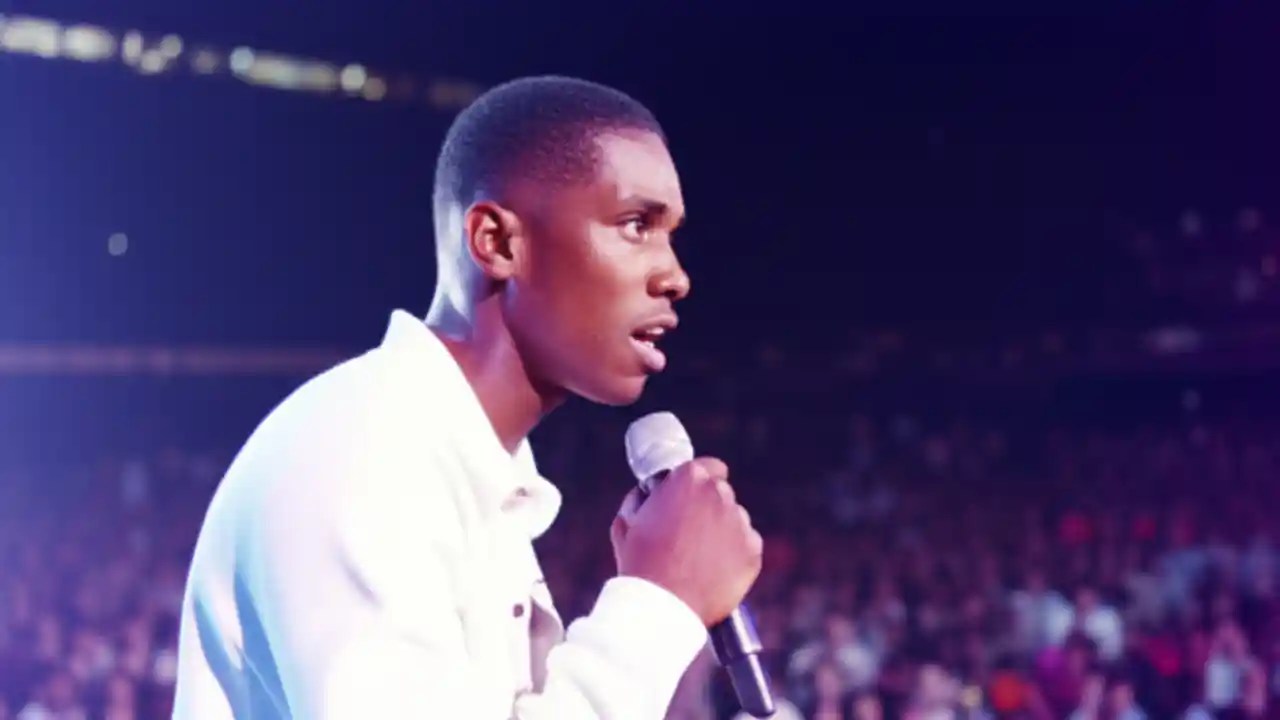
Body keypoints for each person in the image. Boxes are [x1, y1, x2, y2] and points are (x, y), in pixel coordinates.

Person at [171, 75, 764, 718]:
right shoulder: (359, 449)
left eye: (670, 233)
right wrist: (657, 600)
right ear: (498, 242)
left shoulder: (462, 471)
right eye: (635, 224)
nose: (674, 275)